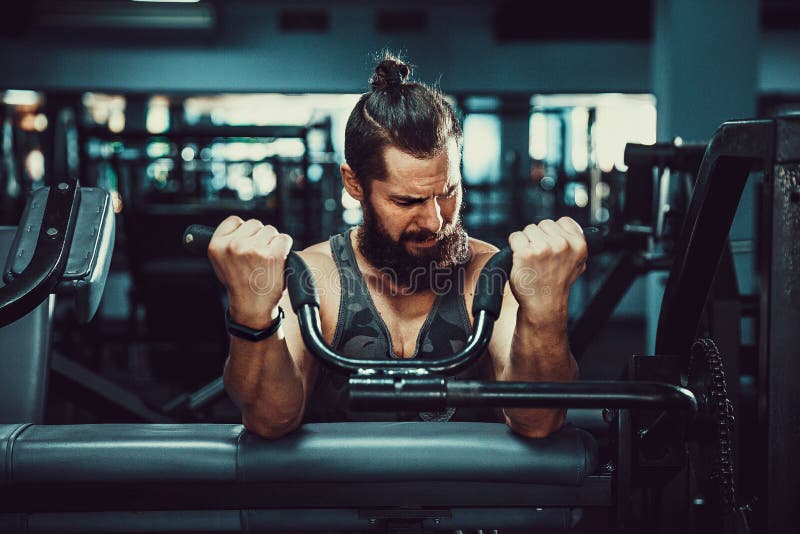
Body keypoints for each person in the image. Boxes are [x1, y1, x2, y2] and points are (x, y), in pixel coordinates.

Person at [208, 54, 588, 439]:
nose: (436, 221)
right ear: (354, 184)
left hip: (468, 497)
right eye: (407, 202)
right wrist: (252, 317)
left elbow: (538, 420)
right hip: (343, 497)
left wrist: (546, 310)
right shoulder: (312, 277)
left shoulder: (492, 275)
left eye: (447, 192)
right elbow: (271, 420)